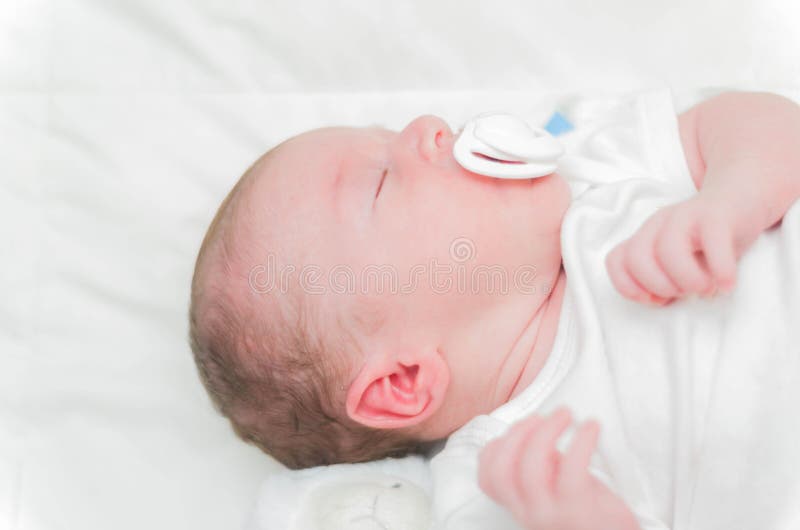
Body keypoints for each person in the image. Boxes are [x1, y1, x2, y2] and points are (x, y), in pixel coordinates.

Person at [189, 88, 800, 529]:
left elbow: (773, 125)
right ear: (402, 381)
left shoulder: (590, 170)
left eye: (389, 132)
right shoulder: (505, 482)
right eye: (379, 180)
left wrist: (733, 197)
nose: (427, 126)